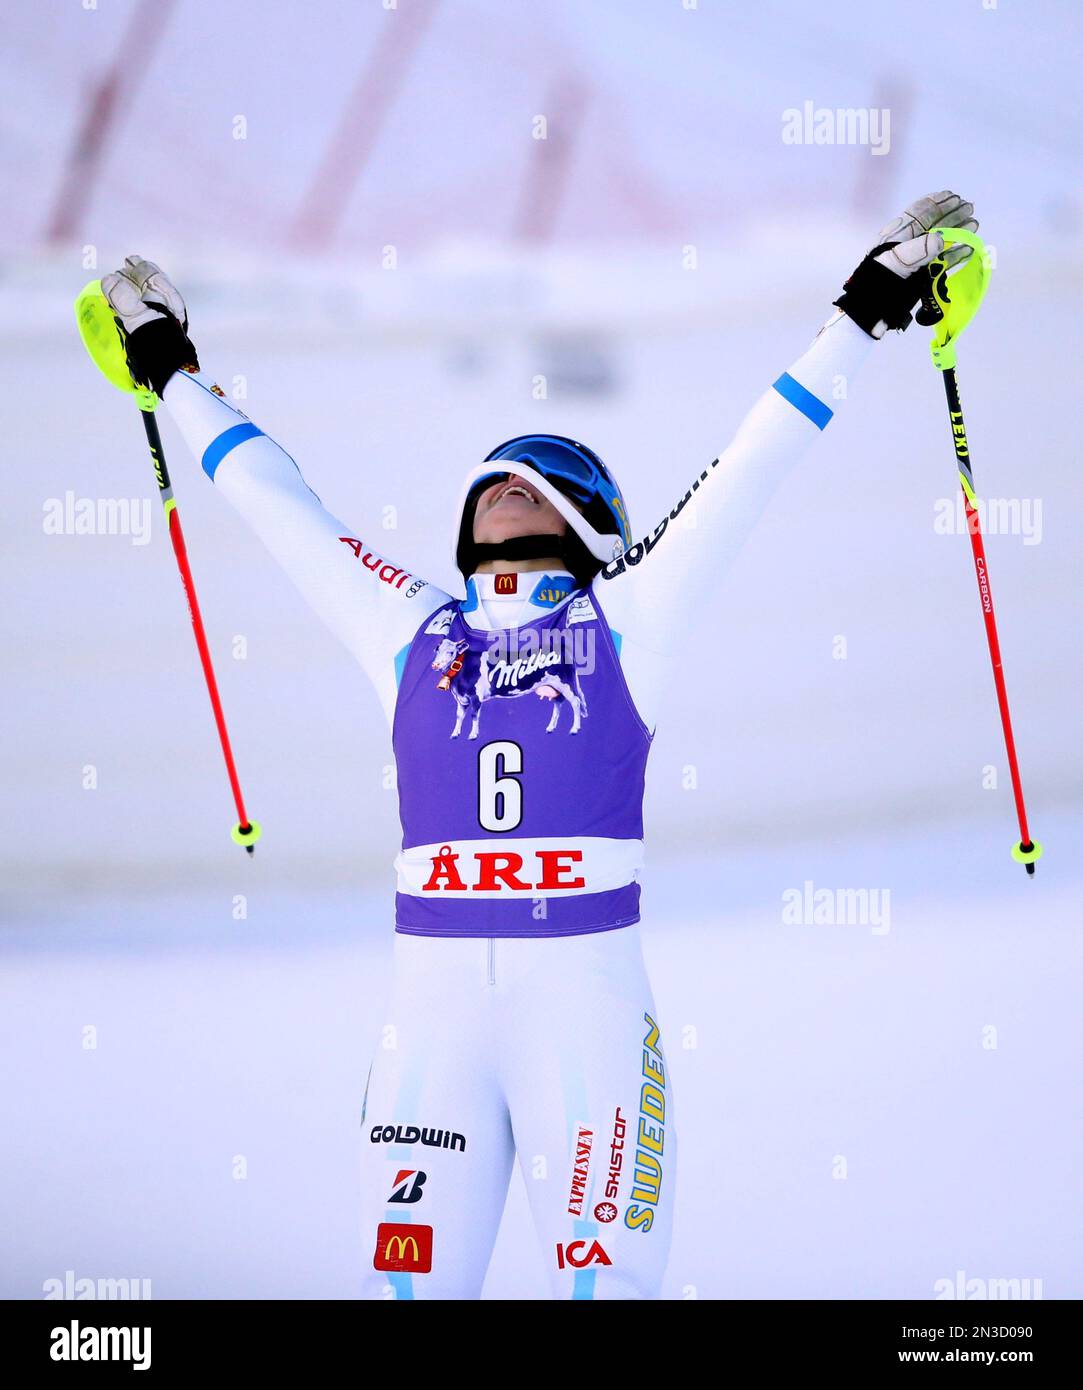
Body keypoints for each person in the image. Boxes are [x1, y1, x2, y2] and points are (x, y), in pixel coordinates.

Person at [101, 190, 977, 1300]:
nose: (510, 477)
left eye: (541, 473)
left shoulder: (629, 622)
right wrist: (169, 361)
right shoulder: (411, 629)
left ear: (593, 525)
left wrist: (862, 308)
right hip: (432, 1041)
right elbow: (279, 503)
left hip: (587, 1032)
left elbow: (751, 464)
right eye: (496, 474)